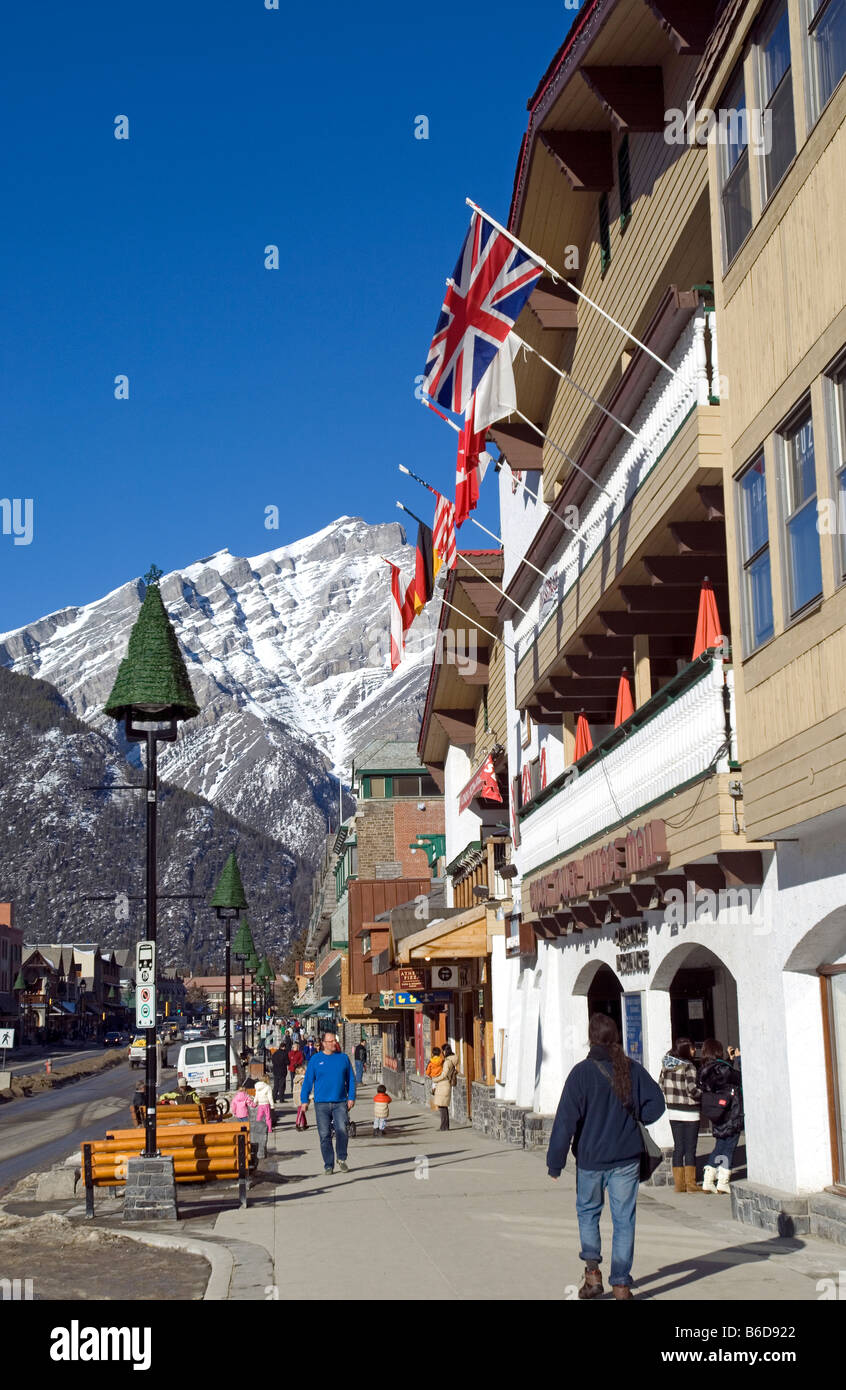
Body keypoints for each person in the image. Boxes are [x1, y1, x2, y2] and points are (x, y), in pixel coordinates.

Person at [546, 1013, 665, 1300]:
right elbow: (656, 1104)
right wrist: (637, 1117)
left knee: (588, 1213)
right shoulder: (630, 1069)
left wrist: (555, 1161)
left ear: (591, 1037)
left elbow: (565, 1120)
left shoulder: (581, 1074)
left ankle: (592, 1275)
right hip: (626, 1158)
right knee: (624, 1220)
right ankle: (622, 1285)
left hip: (591, 1160)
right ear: (615, 1037)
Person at [299, 1030, 356, 1175]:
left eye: (334, 1041)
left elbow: (351, 1079)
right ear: (323, 1043)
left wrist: (351, 1097)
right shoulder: (315, 1060)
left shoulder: (343, 1058)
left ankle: (341, 1159)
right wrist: (304, 1100)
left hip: (340, 1102)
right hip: (321, 1104)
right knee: (324, 1135)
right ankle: (328, 1164)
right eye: (330, 1041)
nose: (334, 1043)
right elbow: (307, 1082)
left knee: (342, 1131)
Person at [698, 1038, 743, 1194]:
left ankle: (708, 1180)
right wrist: (738, 1059)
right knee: (728, 1148)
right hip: (731, 1112)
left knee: (719, 1145)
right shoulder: (723, 1069)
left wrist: (728, 1061)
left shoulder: (705, 1070)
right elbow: (739, 1077)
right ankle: (723, 1181)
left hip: (717, 1113)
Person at [658, 1037, 702, 1194]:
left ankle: (679, 1185)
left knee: (678, 1148)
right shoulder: (689, 1066)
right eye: (691, 1048)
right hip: (690, 1111)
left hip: (673, 1111)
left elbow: (660, 1085)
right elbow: (692, 1089)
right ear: (685, 1049)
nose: (694, 1050)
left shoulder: (667, 1066)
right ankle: (691, 1183)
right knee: (690, 1148)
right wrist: (703, 1095)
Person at [433, 1045, 457, 1130]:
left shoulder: (447, 1062)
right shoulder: (451, 1061)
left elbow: (444, 1074)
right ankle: (445, 1126)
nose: (442, 1053)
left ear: (445, 1051)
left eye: (443, 1051)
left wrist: (435, 1079)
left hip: (444, 1084)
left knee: (442, 1106)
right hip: (446, 1084)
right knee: (444, 1106)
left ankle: (443, 1126)